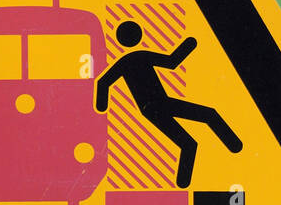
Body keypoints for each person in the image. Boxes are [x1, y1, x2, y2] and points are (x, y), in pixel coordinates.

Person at [94, 20, 241, 188]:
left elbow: (103, 83)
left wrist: (101, 106)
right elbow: (173, 61)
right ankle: (236, 148)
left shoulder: (125, 61)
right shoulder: (141, 56)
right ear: (137, 36)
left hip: (150, 109)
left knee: (189, 142)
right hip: (160, 104)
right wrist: (190, 44)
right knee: (208, 116)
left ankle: (186, 181)